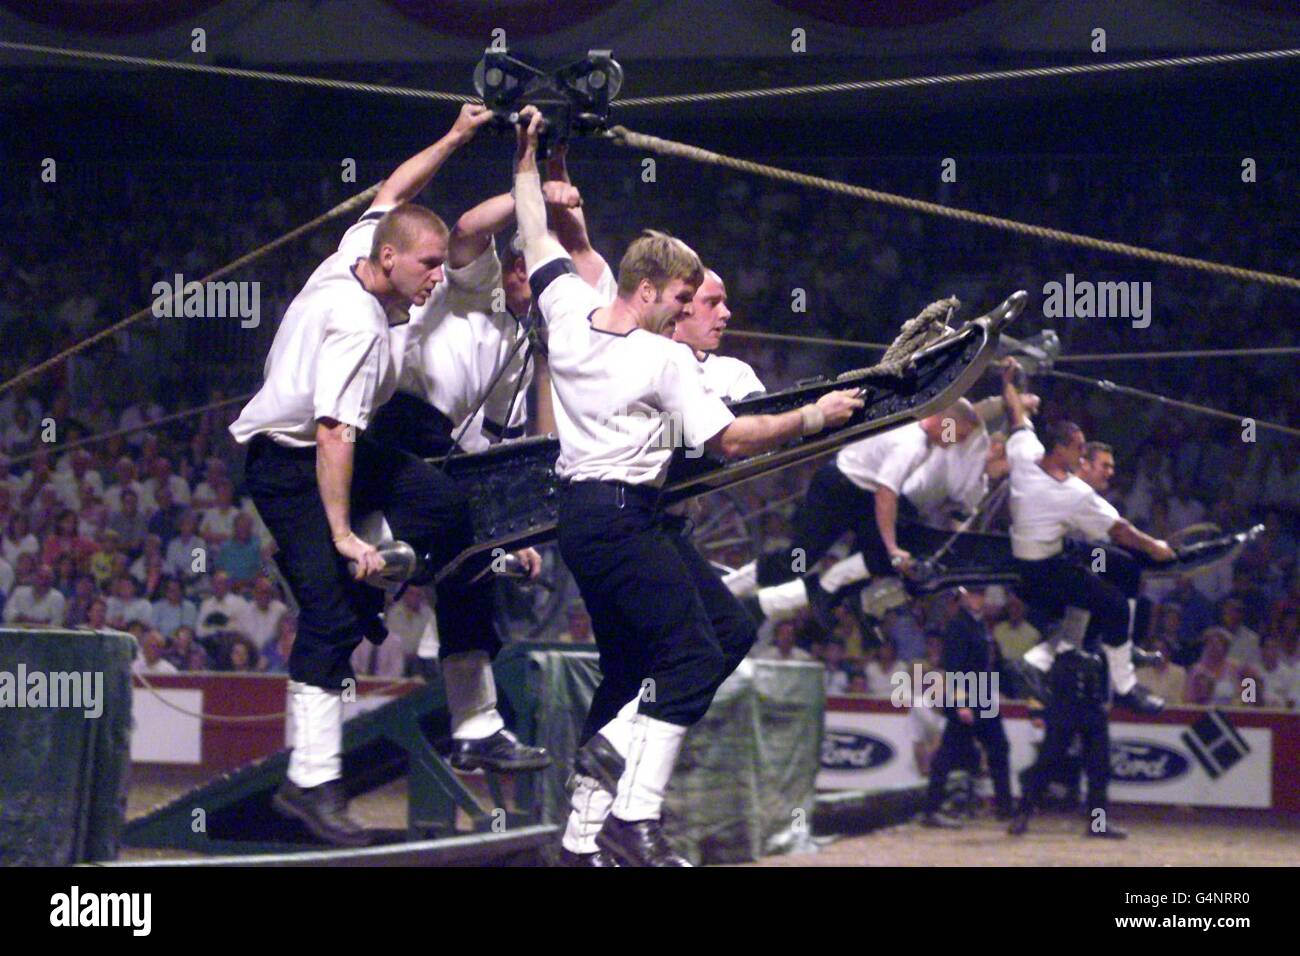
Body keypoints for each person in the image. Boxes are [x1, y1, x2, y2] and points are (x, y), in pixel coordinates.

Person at [511, 107, 863, 866]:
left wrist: (532, 156)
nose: (686, 308)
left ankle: (580, 843)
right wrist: (814, 416)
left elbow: (541, 234)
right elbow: (730, 438)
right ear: (650, 289)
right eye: (682, 296)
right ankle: (629, 809)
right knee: (692, 659)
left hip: (588, 519)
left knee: (701, 643)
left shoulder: (569, 315)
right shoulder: (664, 360)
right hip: (624, 517)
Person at [228, 105, 548, 847]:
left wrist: (457, 135)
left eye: (441, 265)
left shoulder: (354, 253)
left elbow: (392, 190)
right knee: (335, 619)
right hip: (293, 464)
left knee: (447, 506)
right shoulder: (361, 328)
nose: (438, 280)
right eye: (429, 267)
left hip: (346, 449)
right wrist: (342, 534)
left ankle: (373, 576)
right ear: (393, 263)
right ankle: (310, 785)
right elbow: (336, 435)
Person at [1000, 361, 1175, 714]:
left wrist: (1008, 381)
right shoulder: (1073, 493)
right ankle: (1125, 686)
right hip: (1043, 571)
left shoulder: (1025, 454)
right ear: (1061, 448)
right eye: (1078, 448)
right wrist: (1155, 546)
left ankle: (1120, 643)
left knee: (1124, 570)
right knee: (1110, 605)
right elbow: (1121, 530)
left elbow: (1017, 414)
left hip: (1040, 555)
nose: (1082, 455)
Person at [1010, 643, 1125, 839]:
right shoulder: (1057, 642)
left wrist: (1106, 702)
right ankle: (1023, 813)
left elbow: (1108, 675)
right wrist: (1037, 710)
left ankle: (1098, 824)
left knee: (1099, 768)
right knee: (1047, 764)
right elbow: (1032, 677)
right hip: (1063, 710)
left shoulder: (1101, 643)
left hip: (1092, 710)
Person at [920, 587, 1012, 827]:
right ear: (964, 598)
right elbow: (954, 667)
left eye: (979, 594)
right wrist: (961, 703)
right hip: (968, 697)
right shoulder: (959, 626)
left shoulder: (979, 625)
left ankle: (1004, 806)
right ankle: (932, 809)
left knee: (997, 748)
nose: (976, 598)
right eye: (972, 594)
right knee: (949, 754)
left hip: (981, 696)